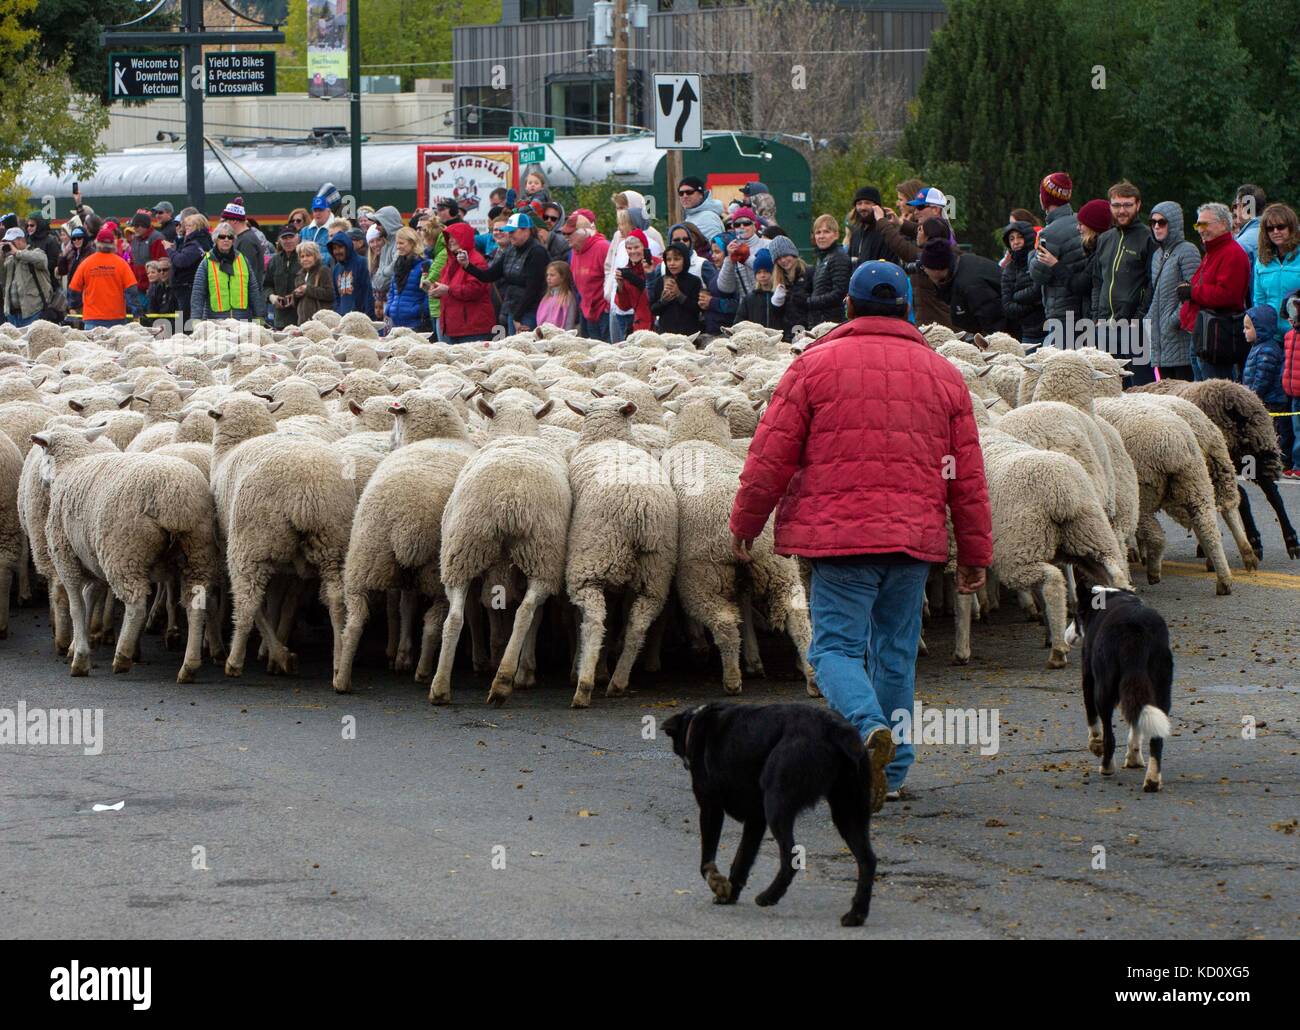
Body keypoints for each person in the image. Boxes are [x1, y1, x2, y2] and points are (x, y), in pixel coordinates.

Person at [728, 260, 992, 808]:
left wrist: (746, 521)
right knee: (895, 655)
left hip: (840, 537)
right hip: (912, 539)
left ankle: (870, 726)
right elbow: (965, 475)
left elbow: (770, 455)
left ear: (847, 307)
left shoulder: (813, 366)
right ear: (907, 309)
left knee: (832, 650)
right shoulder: (944, 374)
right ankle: (891, 774)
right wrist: (974, 551)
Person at [1179, 202, 1250, 381]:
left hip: (1217, 339)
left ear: (1224, 225)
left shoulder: (1232, 253)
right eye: (1198, 225)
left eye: (1205, 224)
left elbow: (1227, 295)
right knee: (1202, 397)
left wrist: (1193, 292)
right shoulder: (1214, 251)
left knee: (1216, 399)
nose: (1200, 229)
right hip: (1203, 334)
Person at [1090, 182, 1156, 371]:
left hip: (1134, 329)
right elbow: (1097, 281)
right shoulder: (1104, 239)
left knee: (1137, 389)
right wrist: (1096, 316)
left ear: (1138, 205)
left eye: (1127, 205)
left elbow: (1153, 283)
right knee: (1107, 389)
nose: (1121, 211)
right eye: (1116, 205)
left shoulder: (1148, 238)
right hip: (1103, 327)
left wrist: (1139, 318)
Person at [458, 211, 549, 333]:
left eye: (512, 231)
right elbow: (489, 276)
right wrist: (467, 265)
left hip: (530, 311)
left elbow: (533, 289)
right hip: (513, 308)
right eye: (509, 231)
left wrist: (518, 317)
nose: (509, 235)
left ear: (526, 230)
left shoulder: (537, 252)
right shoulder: (511, 249)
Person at [1147, 202, 1201, 381]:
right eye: (1153, 222)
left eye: (1161, 222)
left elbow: (1193, 292)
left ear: (1174, 223)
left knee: (1183, 397)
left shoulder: (1188, 251)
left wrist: (1173, 320)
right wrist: (1149, 319)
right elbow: (1157, 294)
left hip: (1180, 338)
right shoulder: (1157, 255)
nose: (1156, 226)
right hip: (1160, 342)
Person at [1028, 171, 1086, 324]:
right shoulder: (1082, 221)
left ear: (1044, 199)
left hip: (1062, 311)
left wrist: (1032, 253)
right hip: (1086, 308)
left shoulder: (1049, 233)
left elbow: (1038, 274)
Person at [1241, 302, 1291, 470]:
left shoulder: (1267, 350)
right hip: (1262, 400)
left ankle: (1280, 462)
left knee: (1275, 433)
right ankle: (1262, 464)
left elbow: (1263, 377)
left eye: (1248, 328)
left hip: (1271, 401)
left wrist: (1252, 396)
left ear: (1261, 328)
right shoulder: (1258, 348)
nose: (1244, 331)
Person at [919, 236, 1005, 334]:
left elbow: (993, 320)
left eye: (925, 267)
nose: (924, 271)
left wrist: (987, 344)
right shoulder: (962, 263)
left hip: (1008, 334)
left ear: (936, 269)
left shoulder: (970, 285)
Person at [431, 221, 495, 343]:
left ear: (464, 237)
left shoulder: (476, 261)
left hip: (472, 329)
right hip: (452, 327)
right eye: (448, 237)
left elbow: (475, 290)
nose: (450, 240)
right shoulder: (450, 261)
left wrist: (448, 290)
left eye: (454, 236)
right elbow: (445, 286)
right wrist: (434, 289)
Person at [190, 221, 263, 322]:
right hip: (215, 322)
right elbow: (198, 293)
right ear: (216, 239)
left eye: (230, 237)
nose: (226, 240)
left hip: (242, 321)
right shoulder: (206, 262)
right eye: (222, 236)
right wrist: (196, 320)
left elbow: (253, 290)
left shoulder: (243, 260)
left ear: (233, 240)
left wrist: (259, 316)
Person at [69, 227, 141, 328]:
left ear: (96, 242)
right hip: (116, 319)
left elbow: (74, 289)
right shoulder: (121, 264)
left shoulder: (86, 263)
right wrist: (136, 313)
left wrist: (73, 306)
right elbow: (132, 290)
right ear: (113, 244)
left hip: (92, 319)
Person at [1000, 219, 1046, 346]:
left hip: (1050, 327)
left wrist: (1017, 297)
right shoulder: (1009, 270)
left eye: (1020, 237)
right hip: (1028, 333)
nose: (1016, 242)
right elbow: (1008, 307)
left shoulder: (1041, 259)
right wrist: (1034, 304)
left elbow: (1041, 289)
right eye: (1012, 239)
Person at [566, 210, 610, 341]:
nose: (566, 237)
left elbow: (613, 276)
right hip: (586, 309)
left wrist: (607, 308)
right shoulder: (574, 251)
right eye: (564, 233)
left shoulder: (603, 247)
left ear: (583, 232)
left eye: (570, 233)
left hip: (603, 311)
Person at [1252, 204, 1300, 323]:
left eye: (1280, 226)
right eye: (1270, 228)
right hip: (1271, 334)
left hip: (1297, 334)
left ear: (1291, 227)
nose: (1275, 231)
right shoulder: (1262, 260)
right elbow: (1259, 301)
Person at [2, 227, 55, 326]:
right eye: (6, 242)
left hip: (33, 312)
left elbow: (41, 260)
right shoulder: (9, 259)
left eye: (11, 242)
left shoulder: (36, 252)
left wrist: (17, 253)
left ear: (21, 240)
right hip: (12, 314)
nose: (9, 245)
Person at [611, 228, 659, 336]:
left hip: (658, 325)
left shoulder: (658, 264)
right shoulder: (626, 271)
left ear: (644, 247)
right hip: (640, 328)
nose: (633, 251)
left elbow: (656, 296)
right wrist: (620, 286)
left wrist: (637, 281)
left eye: (636, 247)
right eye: (629, 248)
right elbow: (624, 306)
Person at [716, 206, 771, 299]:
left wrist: (747, 259)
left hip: (769, 300)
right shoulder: (732, 248)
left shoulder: (768, 244)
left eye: (746, 223)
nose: (742, 227)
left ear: (754, 226)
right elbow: (725, 288)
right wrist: (729, 260)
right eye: (737, 224)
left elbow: (771, 275)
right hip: (745, 307)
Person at [649, 242, 703, 335]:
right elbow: (653, 310)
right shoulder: (660, 281)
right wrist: (663, 301)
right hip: (666, 334)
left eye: (677, 259)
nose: (672, 263)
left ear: (685, 260)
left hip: (689, 334)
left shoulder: (694, 281)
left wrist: (679, 295)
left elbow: (697, 309)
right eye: (669, 260)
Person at [808, 213, 851, 326]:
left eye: (826, 232)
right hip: (819, 320)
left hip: (832, 322)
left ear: (836, 235)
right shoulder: (821, 258)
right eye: (818, 232)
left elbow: (839, 293)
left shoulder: (839, 257)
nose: (821, 236)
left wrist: (810, 302)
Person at [170, 212, 212, 326]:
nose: (186, 228)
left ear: (198, 226)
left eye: (190, 226)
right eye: (186, 225)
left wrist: (170, 251)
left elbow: (181, 261)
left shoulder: (195, 244)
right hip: (190, 286)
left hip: (188, 287)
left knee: (185, 323)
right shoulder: (203, 241)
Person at [768, 235, 814, 339]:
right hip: (789, 333)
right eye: (779, 258)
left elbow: (816, 302)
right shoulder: (779, 280)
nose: (783, 260)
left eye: (785, 256)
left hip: (808, 330)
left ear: (793, 254)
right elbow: (777, 316)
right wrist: (776, 303)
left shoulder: (809, 273)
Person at [385, 227, 430, 330]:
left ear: (412, 243)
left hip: (416, 324)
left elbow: (428, 293)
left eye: (401, 243)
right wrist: (389, 309)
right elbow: (392, 290)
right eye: (397, 243)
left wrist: (419, 311)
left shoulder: (425, 265)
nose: (398, 247)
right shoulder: (398, 265)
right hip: (396, 323)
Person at [844, 187, 898, 268]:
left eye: (867, 203)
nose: (863, 207)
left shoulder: (886, 232)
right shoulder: (856, 234)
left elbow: (888, 267)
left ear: (877, 206)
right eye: (859, 203)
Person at [127, 211, 167, 315]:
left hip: (153, 288)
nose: (134, 229)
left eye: (136, 226)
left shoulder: (157, 238)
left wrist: (154, 286)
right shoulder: (134, 240)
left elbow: (161, 263)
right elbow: (132, 261)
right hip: (138, 287)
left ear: (144, 225)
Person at [264, 227, 303, 329]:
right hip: (280, 319)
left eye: (291, 237)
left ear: (298, 238)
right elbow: (266, 285)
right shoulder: (274, 261)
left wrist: (295, 296)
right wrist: (272, 297)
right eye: (284, 238)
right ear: (280, 240)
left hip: (301, 317)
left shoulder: (305, 258)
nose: (288, 241)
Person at [368, 206, 404, 317]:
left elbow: (395, 268)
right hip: (390, 305)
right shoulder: (385, 246)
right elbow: (377, 283)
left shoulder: (402, 240)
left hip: (399, 305)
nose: (376, 228)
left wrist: (383, 272)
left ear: (388, 222)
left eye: (379, 224)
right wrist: (384, 272)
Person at [328, 229, 372, 317]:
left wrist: (368, 317)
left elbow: (368, 293)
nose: (337, 251)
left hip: (361, 318)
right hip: (343, 320)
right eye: (334, 249)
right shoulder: (336, 269)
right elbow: (337, 297)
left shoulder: (362, 263)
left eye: (340, 247)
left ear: (348, 247)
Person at [701, 232, 739, 334]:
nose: (713, 256)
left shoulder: (736, 274)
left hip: (728, 332)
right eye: (712, 252)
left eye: (717, 252)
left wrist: (712, 302)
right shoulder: (718, 271)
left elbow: (738, 305)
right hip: (714, 329)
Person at [735, 249, 780, 330]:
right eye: (758, 272)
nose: (762, 275)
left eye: (766, 271)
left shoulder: (780, 296)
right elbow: (739, 322)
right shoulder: (749, 298)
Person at [293, 240, 334, 323]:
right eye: (302, 256)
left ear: (316, 256)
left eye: (308, 255)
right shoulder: (299, 275)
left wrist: (307, 289)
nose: (305, 259)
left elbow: (330, 294)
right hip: (302, 322)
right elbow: (297, 303)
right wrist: (296, 294)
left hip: (320, 322)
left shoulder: (323, 271)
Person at [1282, 292, 1300, 475]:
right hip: (1293, 392)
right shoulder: (1289, 336)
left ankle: (1298, 465)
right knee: (1296, 429)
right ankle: (1296, 464)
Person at [677, 176, 725, 241]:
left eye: (689, 192)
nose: (684, 196)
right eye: (681, 193)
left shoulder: (708, 217)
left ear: (700, 195)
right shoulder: (692, 215)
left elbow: (714, 248)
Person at [537, 259, 580, 331]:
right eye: (547, 275)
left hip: (560, 337)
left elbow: (569, 321)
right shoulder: (547, 297)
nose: (548, 278)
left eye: (552, 275)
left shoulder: (567, 297)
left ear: (563, 277)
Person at [301, 195, 334, 263]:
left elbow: (335, 254)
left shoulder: (335, 230)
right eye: (315, 210)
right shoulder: (304, 231)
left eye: (321, 210)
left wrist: (314, 258)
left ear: (328, 211)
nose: (318, 213)